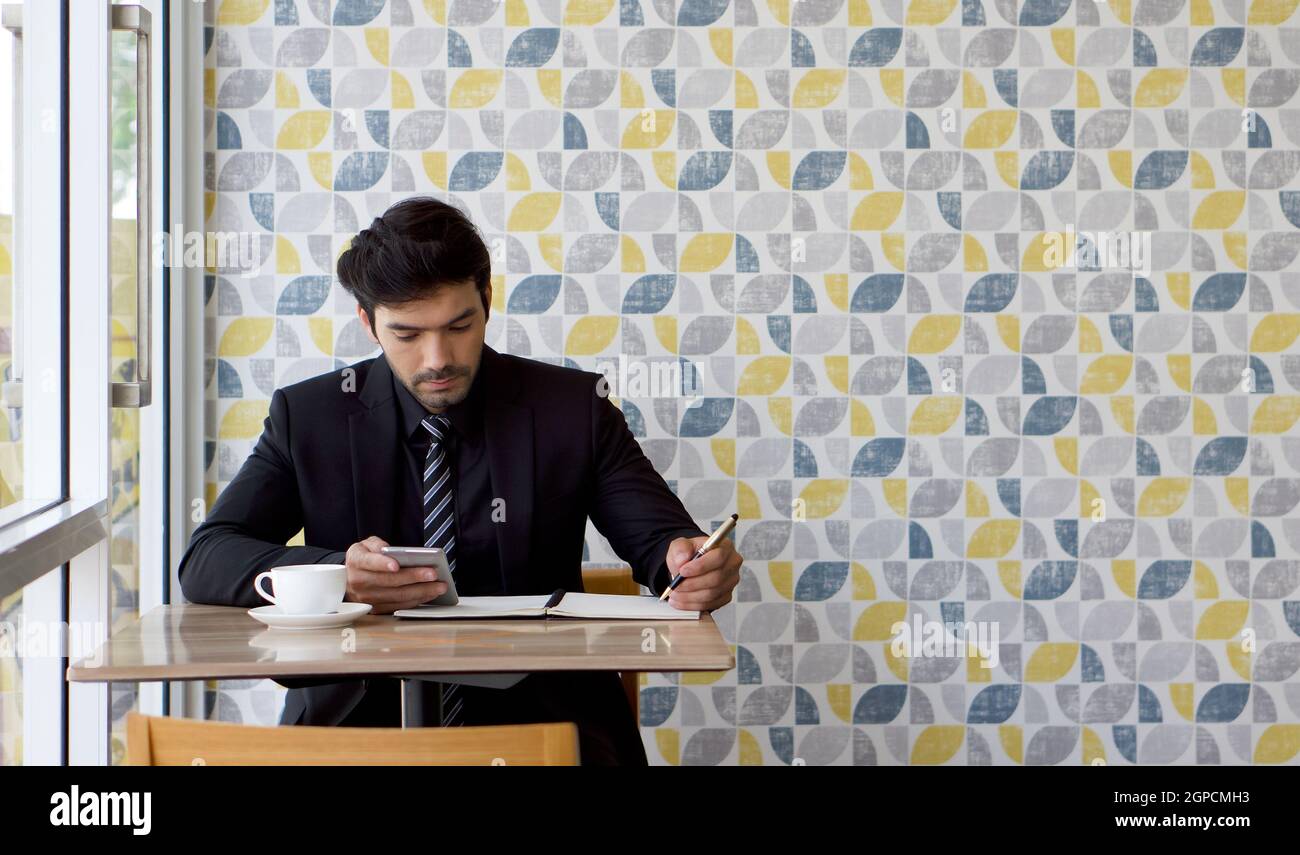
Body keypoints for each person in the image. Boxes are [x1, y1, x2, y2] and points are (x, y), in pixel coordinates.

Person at [177, 196, 743, 764]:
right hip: (355, 726)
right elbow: (208, 557)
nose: (437, 358)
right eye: (407, 334)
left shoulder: (574, 409)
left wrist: (691, 563)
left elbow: (661, 543)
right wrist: (337, 578)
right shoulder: (310, 417)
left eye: (459, 325)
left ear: (487, 301)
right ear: (368, 323)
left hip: (545, 723)